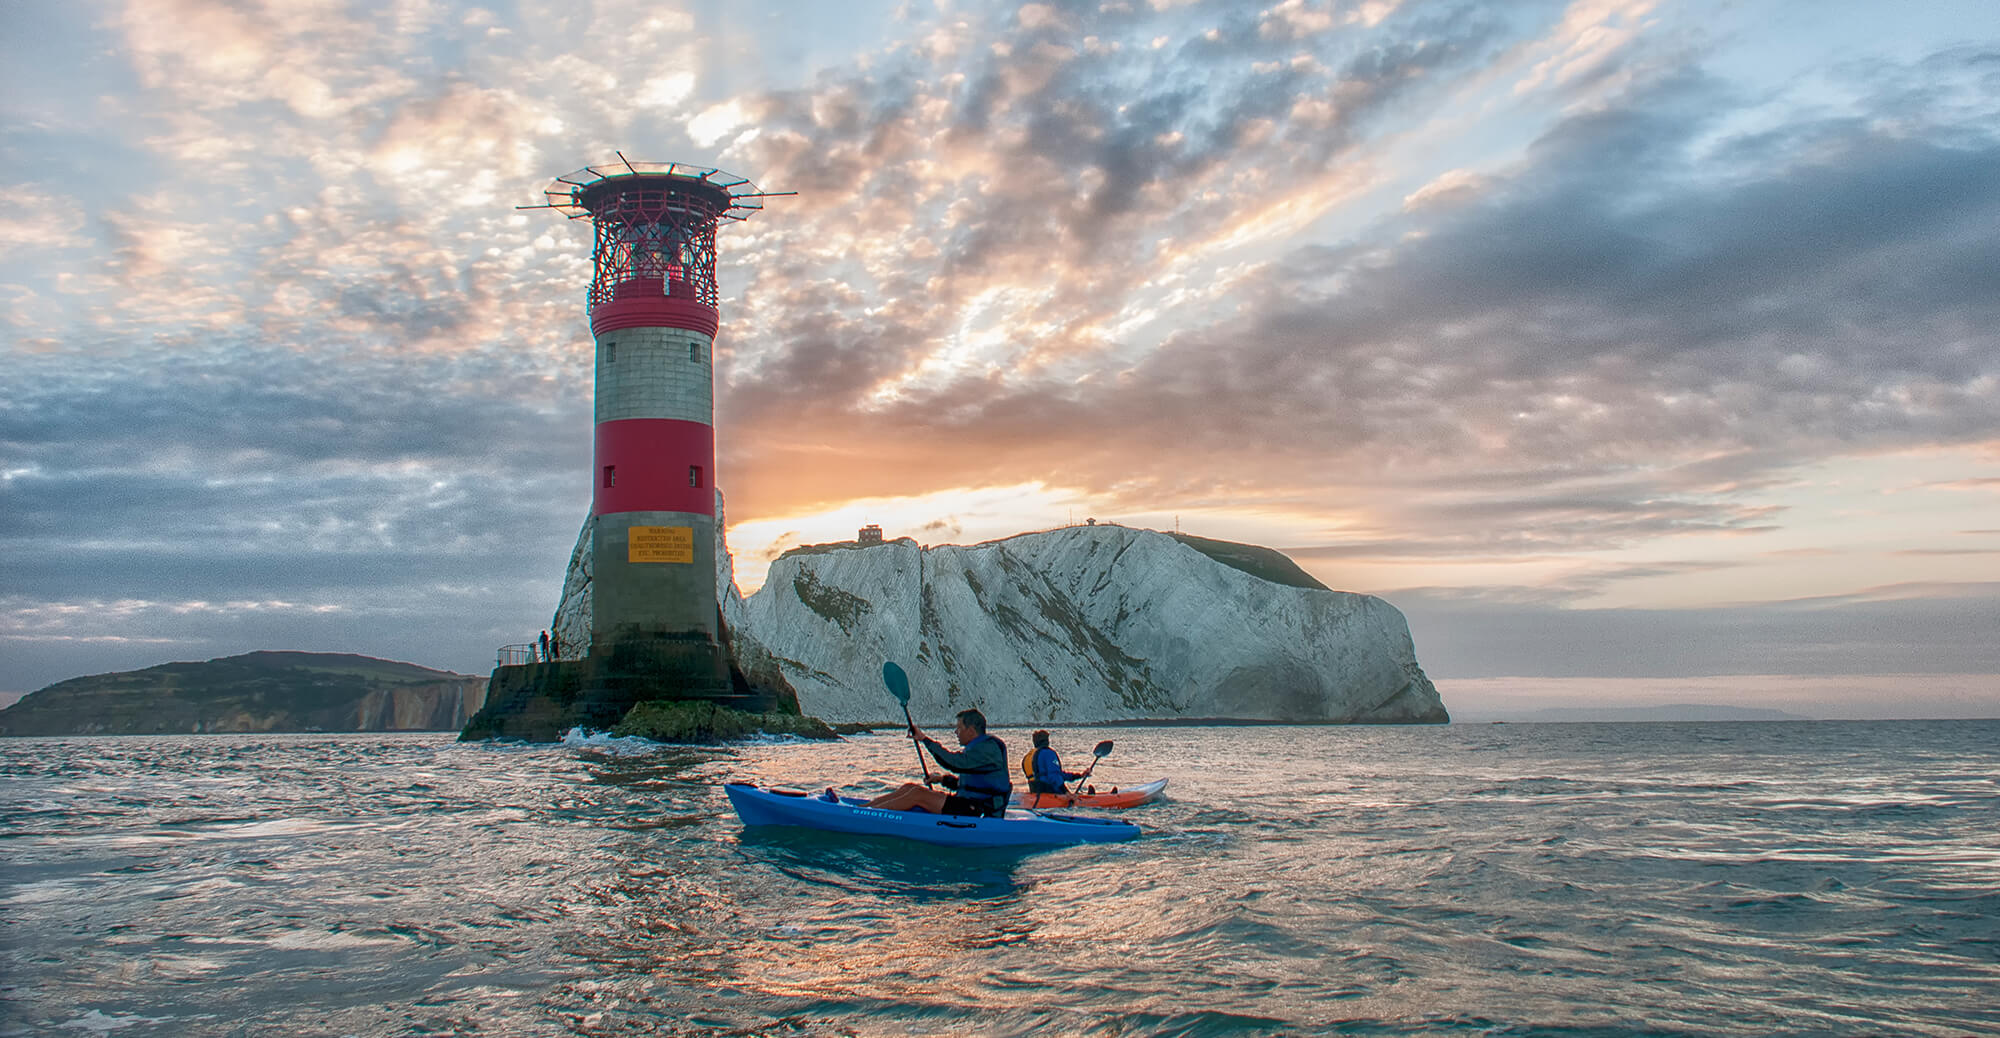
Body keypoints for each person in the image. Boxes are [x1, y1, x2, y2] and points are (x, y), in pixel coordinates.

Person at [864, 709, 1012, 816]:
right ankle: (863, 809)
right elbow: (972, 784)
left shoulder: (988, 749)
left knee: (917, 794)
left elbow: (954, 763)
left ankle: (863, 815)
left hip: (981, 810)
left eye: (959, 728)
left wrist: (924, 739)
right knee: (908, 787)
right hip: (971, 803)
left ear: (971, 731)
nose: (956, 732)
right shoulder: (980, 748)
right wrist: (942, 780)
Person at [1024, 729, 1094, 794]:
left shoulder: (1028, 756)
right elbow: (1054, 776)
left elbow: (1057, 774)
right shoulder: (1048, 753)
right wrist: (1066, 792)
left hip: (1034, 792)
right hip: (1050, 792)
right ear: (1046, 741)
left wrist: (1079, 776)